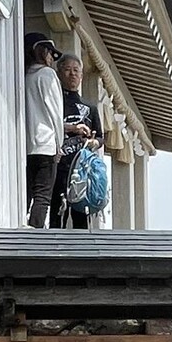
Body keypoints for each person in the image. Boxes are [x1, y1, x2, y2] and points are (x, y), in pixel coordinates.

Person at [49, 53, 105, 230]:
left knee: (81, 214)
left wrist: (94, 143)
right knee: (58, 212)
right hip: (58, 164)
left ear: (81, 75)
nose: (72, 74)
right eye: (67, 70)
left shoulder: (90, 108)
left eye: (76, 70)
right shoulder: (55, 102)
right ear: (58, 72)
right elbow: (49, 123)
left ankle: (82, 253)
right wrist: (73, 128)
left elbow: (101, 137)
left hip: (82, 168)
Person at [23, 32, 64, 229]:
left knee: (28, 191)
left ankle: (23, 225)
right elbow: (55, 111)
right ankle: (36, 231)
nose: (51, 58)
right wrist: (59, 143)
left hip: (27, 142)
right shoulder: (47, 75)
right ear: (43, 52)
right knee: (42, 195)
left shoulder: (24, 76)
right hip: (46, 141)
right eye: (50, 53)